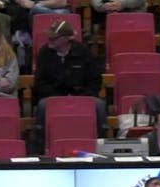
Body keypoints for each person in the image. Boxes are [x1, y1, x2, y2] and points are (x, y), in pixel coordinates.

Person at [32, 19, 106, 151]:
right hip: (53, 96)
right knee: (43, 106)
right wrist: (57, 97)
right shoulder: (44, 53)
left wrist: (83, 96)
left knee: (99, 105)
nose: (49, 40)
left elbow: (95, 80)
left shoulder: (83, 52)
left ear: (66, 39)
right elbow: (39, 83)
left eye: (54, 38)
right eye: (49, 37)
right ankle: (41, 147)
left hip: (81, 96)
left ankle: (100, 146)